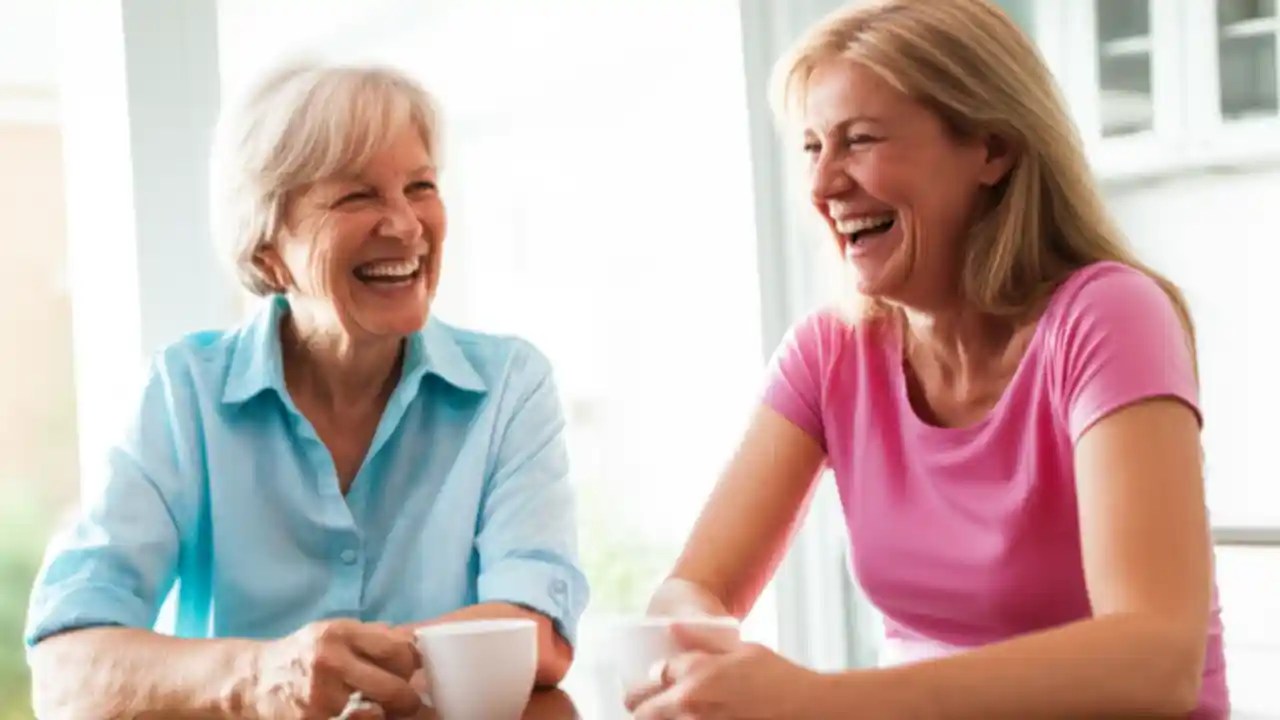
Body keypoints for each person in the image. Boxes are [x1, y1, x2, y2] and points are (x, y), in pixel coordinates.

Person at [627, 0, 1227, 717]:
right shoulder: (831, 354)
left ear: (993, 150)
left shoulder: (1107, 317)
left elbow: (1155, 662)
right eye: (814, 147)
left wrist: (819, 702)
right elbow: (693, 589)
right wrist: (694, 644)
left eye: (861, 140)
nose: (822, 186)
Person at [25, 63, 588, 719]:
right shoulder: (186, 394)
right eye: (358, 197)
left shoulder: (509, 386)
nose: (406, 226)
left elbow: (537, 631)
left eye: (420, 186)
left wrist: (337, 671)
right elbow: (68, 671)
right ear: (268, 251)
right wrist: (264, 675)